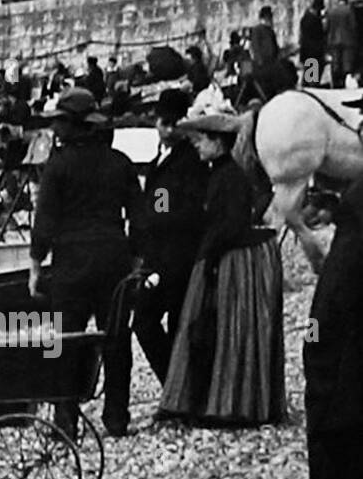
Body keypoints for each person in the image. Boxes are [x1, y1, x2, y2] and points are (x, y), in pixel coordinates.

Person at [30, 87, 146, 437]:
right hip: (114, 258)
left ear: (72, 126)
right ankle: (116, 417)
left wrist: (36, 265)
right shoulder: (119, 162)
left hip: (71, 263)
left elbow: (45, 220)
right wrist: (137, 258)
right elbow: (141, 215)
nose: (54, 130)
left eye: (59, 123)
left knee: (65, 341)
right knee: (116, 340)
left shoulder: (58, 166)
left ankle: (66, 417)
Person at [159, 113, 284, 426]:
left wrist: (209, 258)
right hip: (227, 256)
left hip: (231, 260)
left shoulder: (228, 178)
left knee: (228, 330)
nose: (198, 147)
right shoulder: (223, 174)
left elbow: (227, 225)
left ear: (218, 142)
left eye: (202, 141)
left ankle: (228, 404)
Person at [136, 89, 207, 389]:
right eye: (163, 123)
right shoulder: (160, 161)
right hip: (160, 255)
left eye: (173, 124)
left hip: (177, 257)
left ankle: (180, 390)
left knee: (171, 325)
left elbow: (167, 211)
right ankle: (176, 387)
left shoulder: (189, 162)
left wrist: (154, 218)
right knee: (147, 322)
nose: (167, 130)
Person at [304, 175, 363, 479]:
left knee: (339, 403)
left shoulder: (352, 232)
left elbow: (327, 300)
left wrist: (311, 337)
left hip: (339, 332)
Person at [326, 0, 358, 89]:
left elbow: (327, 26)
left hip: (334, 40)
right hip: (347, 40)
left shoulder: (331, 11)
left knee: (335, 62)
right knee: (346, 62)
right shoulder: (349, 10)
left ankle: (336, 82)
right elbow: (353, 25)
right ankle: (344, 81)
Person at [299, 0, 328, 86]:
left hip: (308, 54)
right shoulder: (313, 20)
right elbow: (318, 37)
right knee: (311, 82)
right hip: (313, 55)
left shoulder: (306, 18)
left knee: (309, 79)